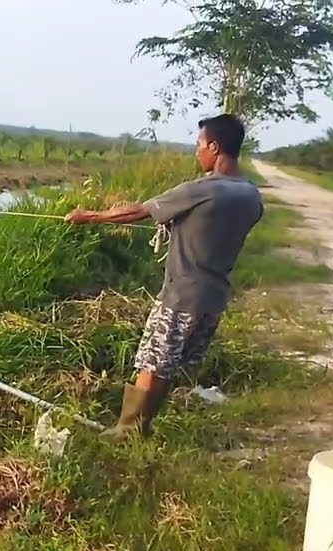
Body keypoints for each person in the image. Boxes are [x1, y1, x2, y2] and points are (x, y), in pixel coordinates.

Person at [64, 113, 264, 439]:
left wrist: (89, 216)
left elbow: (137, 211)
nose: (197, 151)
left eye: (199, 145)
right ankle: (142, 428)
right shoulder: (250, 195)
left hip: (182, 294)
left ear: (214, 147)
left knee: (152, 363)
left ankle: (127, 433)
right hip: (214, 298)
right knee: (168, 366)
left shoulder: (203, 190)